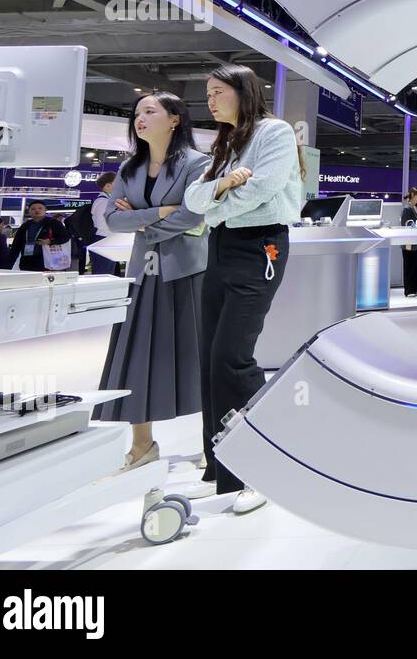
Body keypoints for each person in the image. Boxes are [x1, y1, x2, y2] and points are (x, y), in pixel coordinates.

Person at [182, 64, 304, 515]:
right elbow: (193, 200)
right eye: (207, 93)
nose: (210, 100)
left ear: (242, 92)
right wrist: (225, 185)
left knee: (232, 358)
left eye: (217, 92)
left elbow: (265, 188)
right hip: (221, 246)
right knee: (211, 360)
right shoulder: (225, 143)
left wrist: (216, 201)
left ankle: (260, 467)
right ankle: (222, 469)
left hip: (261, 246)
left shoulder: (273, 132)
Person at [93, 92, 209, 473]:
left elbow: (194, 216)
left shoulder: (198, 164)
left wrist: (141, 218)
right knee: (136, 359)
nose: (139, 118)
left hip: (189, 272)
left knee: (199, 360)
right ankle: (142, 445)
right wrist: (159, 212)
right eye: (136, 113)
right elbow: (113, 220)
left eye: (149, 111)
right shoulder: (129, 169)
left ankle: (213, 445)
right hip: (143, 273)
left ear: (174, 119)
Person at [6, 200, 71, 272]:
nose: (37, 210)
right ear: (29, 211)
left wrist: (50, 241)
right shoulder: (26, 225)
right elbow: (16, 245)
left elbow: (65, 237)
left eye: (40, 208)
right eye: (33, 209)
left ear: (45, 210)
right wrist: (8, 266)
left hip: (46, 259)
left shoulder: (53, 223)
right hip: (27, 259)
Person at [88, 172, 118, 275]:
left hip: (107, 240)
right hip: (103, 240)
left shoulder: (107, 201)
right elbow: (102, 225)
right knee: (103, 273)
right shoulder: (103, 202)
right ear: (108, 185)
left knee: (107, 272)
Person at [399, 187, 417, 297]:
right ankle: (408, 290)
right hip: (409, 242)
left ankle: (415, 287)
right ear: (414, 195)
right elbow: (405, 225)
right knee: (409, 266)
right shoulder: (407, 209)